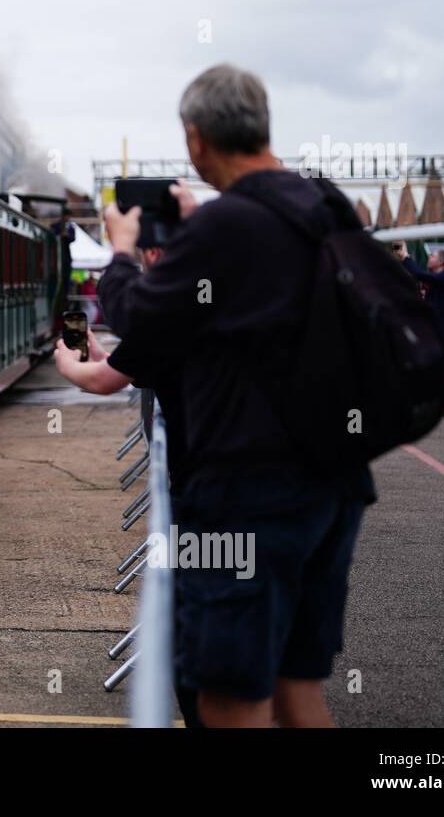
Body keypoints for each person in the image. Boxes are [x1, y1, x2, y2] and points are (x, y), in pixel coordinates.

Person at [55, 64, 373, 728]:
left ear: (196, 140)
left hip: (247, 496)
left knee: (230, 701)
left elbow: (141, 321)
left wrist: (120, 251)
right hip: (336, 484)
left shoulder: (226, 228)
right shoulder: (324, 205)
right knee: (299, 691)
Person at [394, 245, 444, 416]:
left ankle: (442, 402)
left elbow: (419, 274)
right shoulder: (441, 277)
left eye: (432, 256)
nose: (429, 258)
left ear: (440, 262)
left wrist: (407, 256)